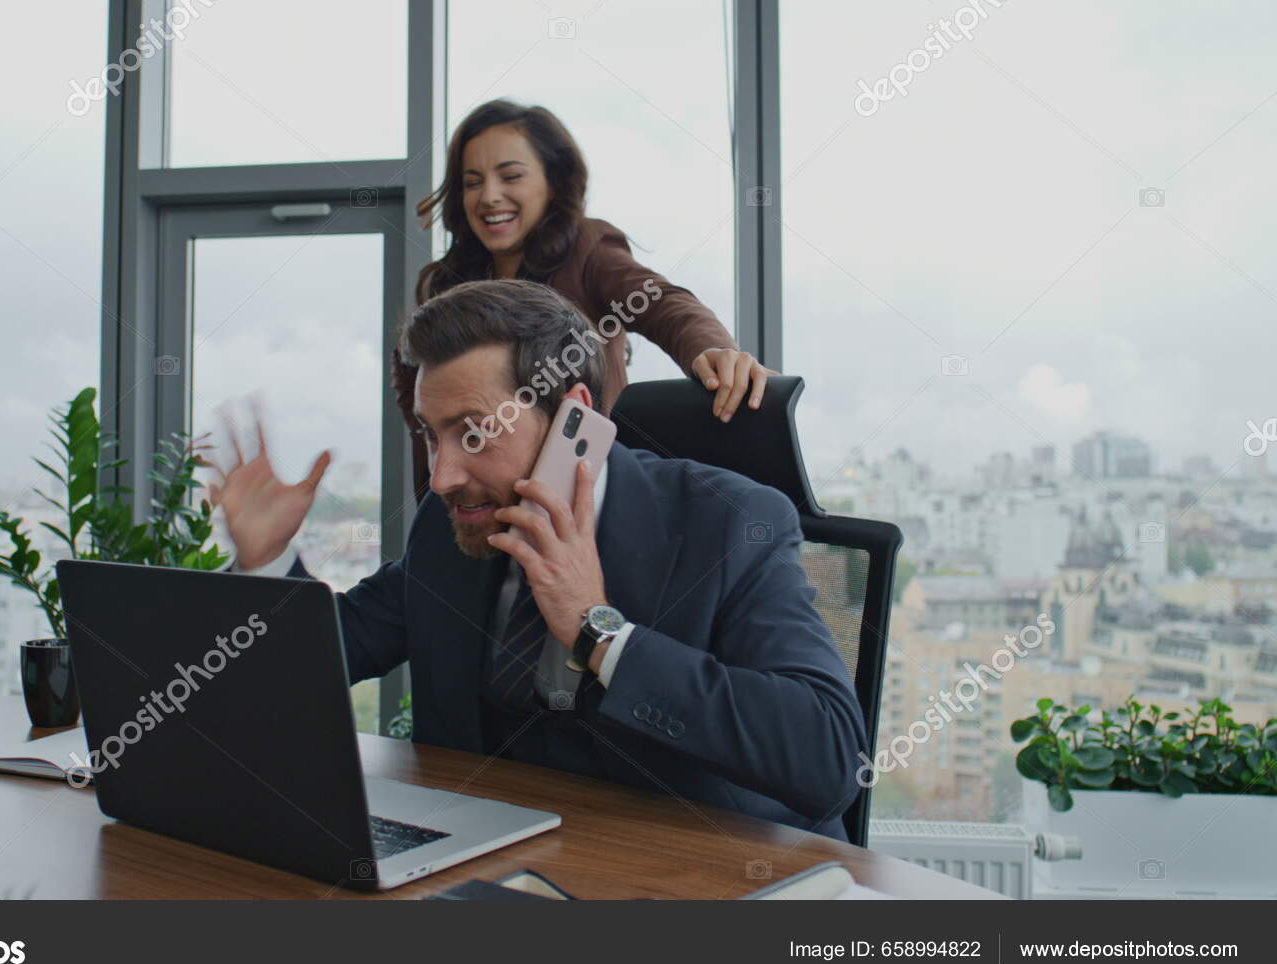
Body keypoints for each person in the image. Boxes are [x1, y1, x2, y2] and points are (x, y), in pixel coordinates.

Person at [208, 279, 863, 840]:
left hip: (693, 879)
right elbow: (337, 647)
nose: (441, 476)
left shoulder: (730, 524)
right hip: (496, 865)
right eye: (430, 436)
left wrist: (599, 629)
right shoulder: (450, 523)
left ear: (573, 416)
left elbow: (829, 759)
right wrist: (268, 561)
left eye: (473, 433)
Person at [393, 99, 773, 497]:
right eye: (472, 182)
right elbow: (421, 416)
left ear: (554, 182)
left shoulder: (587, 251)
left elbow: (662, 302)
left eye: (511, 176)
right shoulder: (447, 286)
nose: (489, 196)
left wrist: (713, 351)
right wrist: (435, 506)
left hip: (583, 491)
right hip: (482, 494)